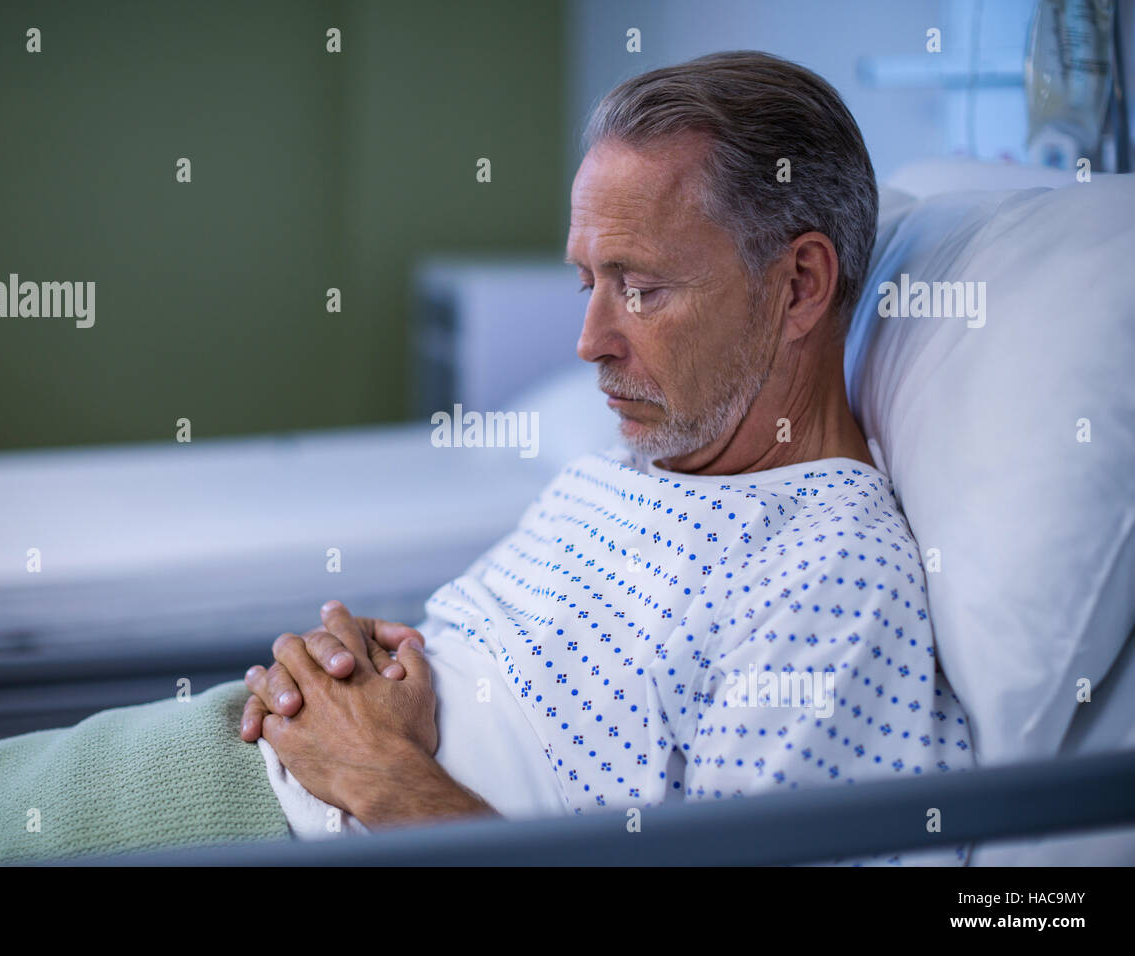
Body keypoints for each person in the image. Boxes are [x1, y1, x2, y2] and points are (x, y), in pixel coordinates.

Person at [237, 51, 972, 862]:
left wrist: (381, 779)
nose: (589, 343)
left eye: (641, 288)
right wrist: (346, 667)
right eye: (587, 281)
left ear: (799, 285)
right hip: (199, 753)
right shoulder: (625, 469)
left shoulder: (829, 575)